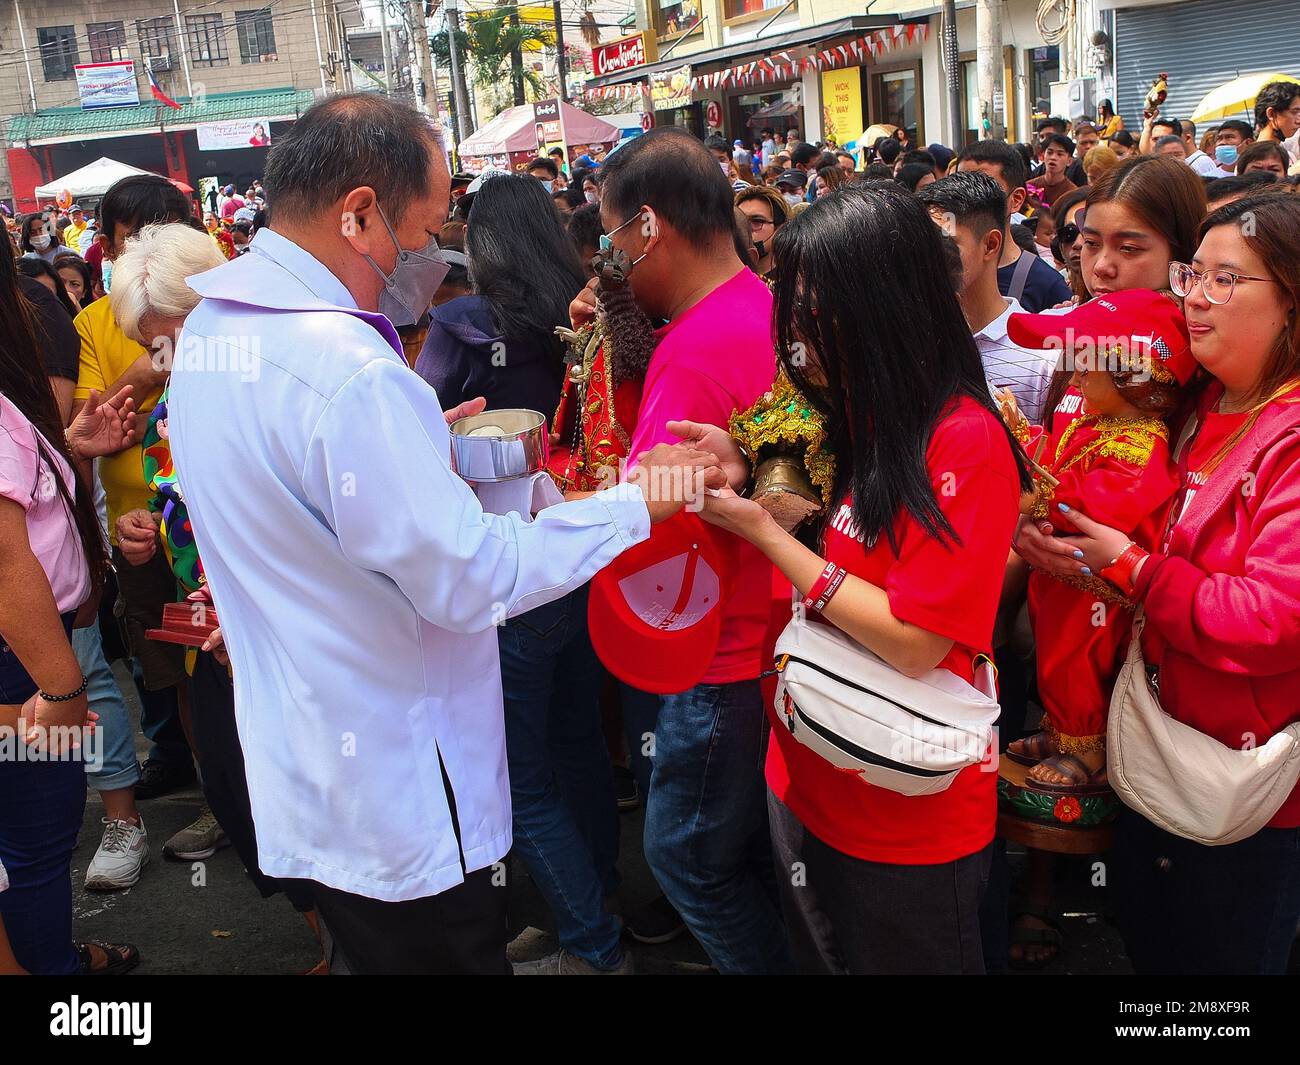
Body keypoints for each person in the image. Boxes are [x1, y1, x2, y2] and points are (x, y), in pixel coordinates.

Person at [163, 94, 718, 975]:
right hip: (406, 786)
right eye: (422, 229)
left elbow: (306, 508)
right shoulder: (344, 372)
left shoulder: (212, 335)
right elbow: (469, 578)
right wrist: (632, 507)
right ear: (358, 213)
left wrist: (429, 456)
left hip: (319, 768)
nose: (430, 253)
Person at [675, 182, 1030, 973]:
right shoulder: (854, 411)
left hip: (907, 809)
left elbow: (915, 641)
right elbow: (792, 466)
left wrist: (767, 535)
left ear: (885, 307)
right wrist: (746, 462)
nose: (798, 330)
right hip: (808, 765)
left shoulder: (963, 440)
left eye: (815, 306)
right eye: (793, 301)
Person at [1015, 193, 1300, 974]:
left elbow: (1275, 618)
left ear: (1291, 305)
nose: (1196, 297)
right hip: (1152, 748)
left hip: (1242, 789)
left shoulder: (1290, 435)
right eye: (1192, 274)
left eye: (1227, 280)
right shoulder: (1198, 401)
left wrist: (1133, 570)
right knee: (1154, 956)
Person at [416, 172, 631, 976]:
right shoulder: (583, 314)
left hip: (501, 568)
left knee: (524, 775)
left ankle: (591, 939)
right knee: (578, 747)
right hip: (571, 552)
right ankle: (595, 898)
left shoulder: (465, 324)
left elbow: (422, 433)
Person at [594, 126, 790, 974]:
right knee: (744, 852)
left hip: (720, 650)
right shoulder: (767, 305)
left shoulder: (696, 348)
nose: (611, 263)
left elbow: (652, 514)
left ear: (647, 228)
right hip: (772, 631)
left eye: (611, 241)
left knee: (684, 859)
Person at [0, 240, 141, 974]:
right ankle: (53, 971)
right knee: (37, 835)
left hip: (29, 650)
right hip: (24, 657)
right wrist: (60, 685)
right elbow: (4, 557)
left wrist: (65, 449)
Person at [1006, 292, 1190, 790]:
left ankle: (1086, 745)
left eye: (1091, 363)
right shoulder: (1094, 424)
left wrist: (1040, 491)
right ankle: (1062, 728)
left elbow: (1107, 503)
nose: (1078, 373)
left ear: (1136, 375)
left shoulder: (1140, 440)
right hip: (1062, 569)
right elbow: (1054, 455)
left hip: (1095, 582)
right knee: (1053, 651)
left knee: (1079, 657)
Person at [74, 174, 200, 883]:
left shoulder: (227, 321)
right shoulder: (99, 318)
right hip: (147, 531)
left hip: (223, 550)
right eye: (133, 242)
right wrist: (157, 358)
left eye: (164, 238)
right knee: (178, 676)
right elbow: (106, 410)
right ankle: (218, 788)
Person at [920, 172, 1058, 424]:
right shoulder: (914, 342)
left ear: (991, 245)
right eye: (922, 245)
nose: (929, 258)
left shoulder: (1041, 358)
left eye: (946, 244)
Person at [956, 140, 1073, 312]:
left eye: (984, 189)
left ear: (1016, 199)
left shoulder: (1047, 284)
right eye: (960, 187)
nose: (968, 200)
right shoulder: (938, 273)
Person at [734, 185, 789, 277]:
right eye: (739, 221)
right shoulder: (722, 278)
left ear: (780, 229)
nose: (745, 228)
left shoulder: (795, 280)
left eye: (757, 221)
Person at [1026, 134, 1078, 211]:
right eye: (1049, 153)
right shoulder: (1029, 186)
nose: (1053, 157)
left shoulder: (1073, 193)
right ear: (1043, 156)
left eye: (1060, 154)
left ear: (1069, 161)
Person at [1254, 80, 1300, 161]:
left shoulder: (1289, 156)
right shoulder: (1251, 159)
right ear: (1271, 114)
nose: (1298, 121)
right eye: (1294, 112)